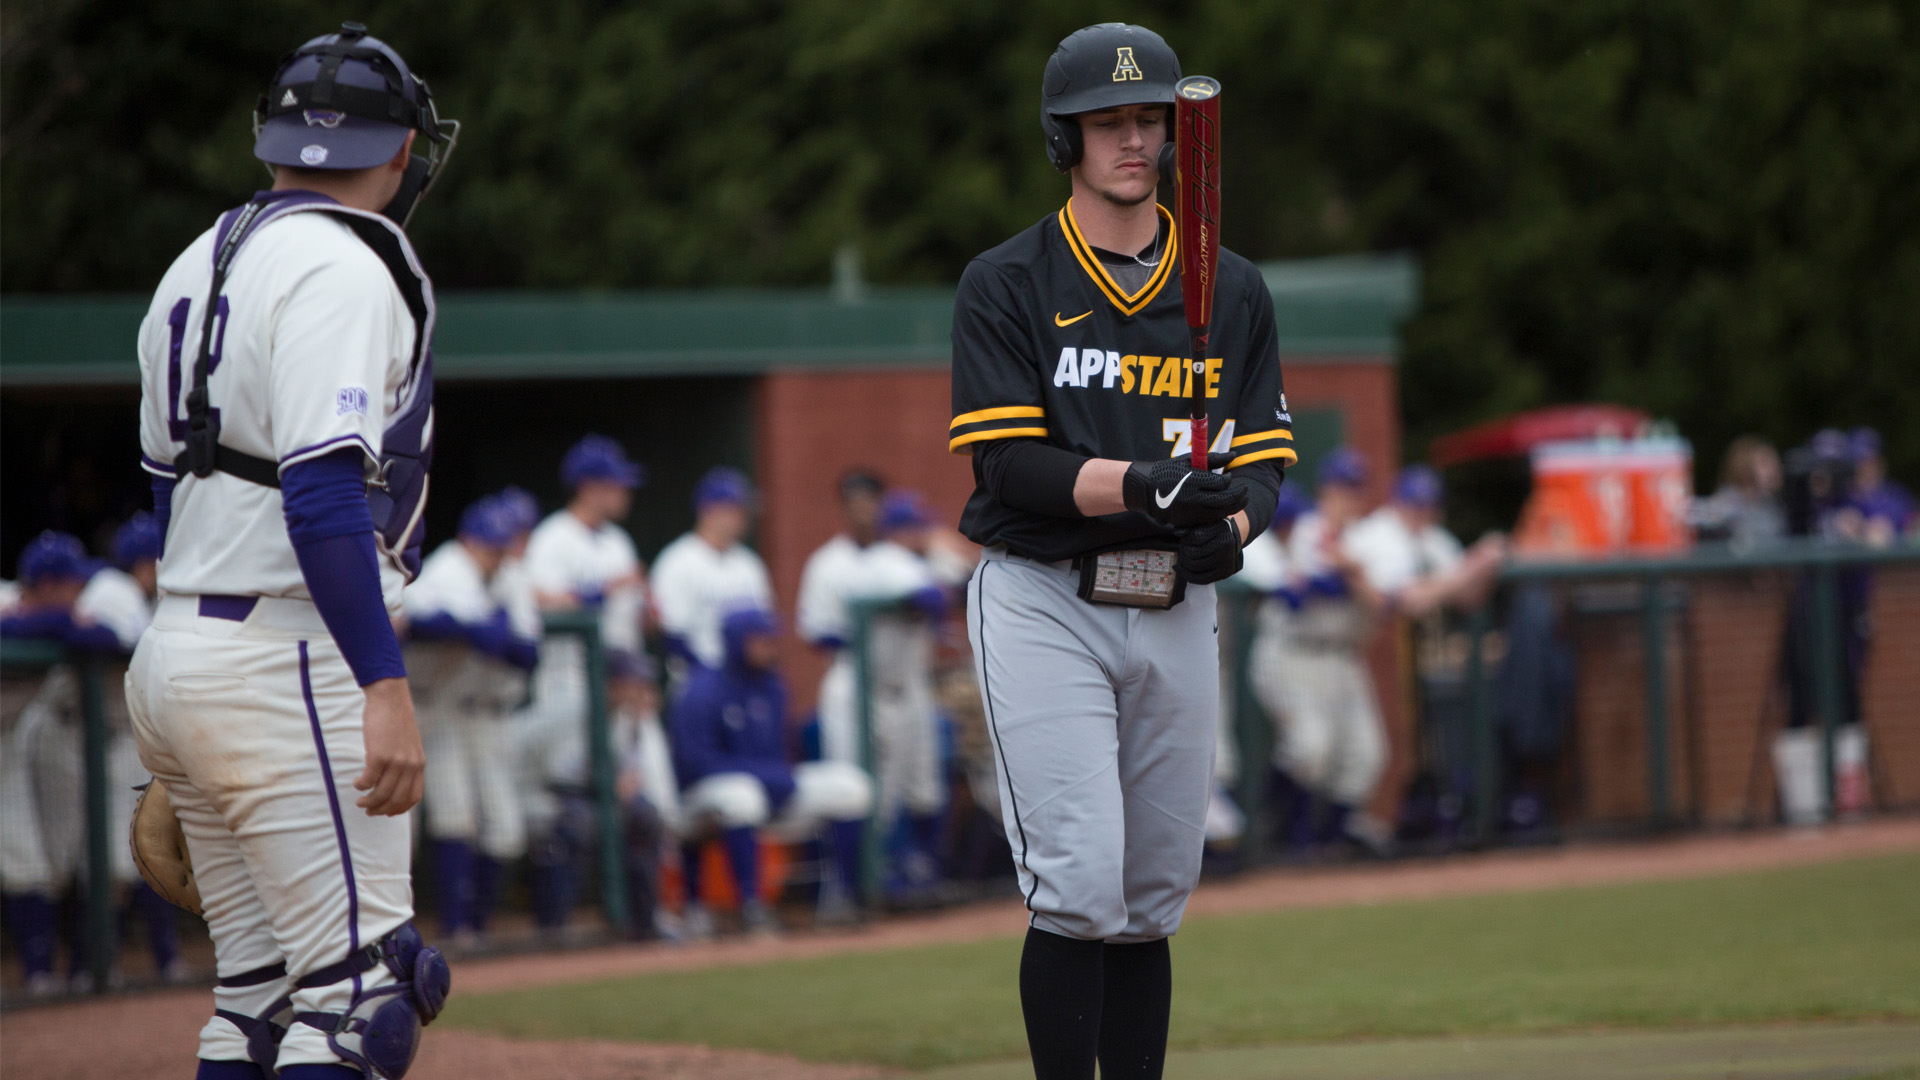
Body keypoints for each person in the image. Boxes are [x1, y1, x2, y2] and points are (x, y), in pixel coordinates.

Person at [949, 23, 1292, 1079]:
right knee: (1083, 880)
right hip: (1046, 597)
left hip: (1176, 600)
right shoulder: (1008, 281)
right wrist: (1147, 485)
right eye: (1109, 122)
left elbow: (1268, 463)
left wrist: (1229, 532)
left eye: (1148, 120)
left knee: (1150, 896)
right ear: (1068, 138)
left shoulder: (1230, 288)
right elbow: (1008, 464)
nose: (1133, 140)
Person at [126, 23, 455, 1079]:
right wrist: (385, 683)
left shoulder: (192, 263)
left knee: (258, 1004)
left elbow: (165, 492)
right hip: (284, 655)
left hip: (182, 651)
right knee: (366, 1003)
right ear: (403, 150)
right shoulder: (340, 265)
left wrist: (187, 718)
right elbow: (319, 494)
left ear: (268, 137)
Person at [672, 607, 873, 937]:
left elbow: (784, 751)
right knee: (742, 795)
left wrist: (776, 777)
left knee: (852, 787)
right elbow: (695, 764)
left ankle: (841, 898)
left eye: (771, 639)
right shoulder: (700, 690)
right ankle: (752, 907)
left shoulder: (774, 686)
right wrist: (766, 776)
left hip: (769, 789)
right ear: (737, 642)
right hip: (703, 798)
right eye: (760, 640)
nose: (769, 647)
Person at [519, 436, 647, 931]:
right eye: (617, 483)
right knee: (568, 806)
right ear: (591, 487)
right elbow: (541, 603)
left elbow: (630, 620)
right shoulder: (554, 537)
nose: (626, 493)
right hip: (568, 684)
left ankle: (637, 919)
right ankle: (560, 923)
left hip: (621, 689)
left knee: (638, 799)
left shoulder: (618, 541)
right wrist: (601, 591)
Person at [403, 497, 540, 947]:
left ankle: (468, 928)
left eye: (502, 547)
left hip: (463, 710)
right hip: (413, 704)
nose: (496, 556)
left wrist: (486, 631)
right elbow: (421, 623)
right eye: (488, 547)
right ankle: (414, 931)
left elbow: (525, 650)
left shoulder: (510, 576)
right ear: (468, 542)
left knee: (482, 824)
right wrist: (479, 629)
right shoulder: (447, 569)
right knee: (410, 827)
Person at [1, 532, 130, 995]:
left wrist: (54, 620)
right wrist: (55, 621)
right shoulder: (4, 597)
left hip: (10, 742)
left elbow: (101, 636)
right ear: (48, 582)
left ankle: (47, 974)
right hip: (29, 736)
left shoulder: (57, 612)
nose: (81, 589)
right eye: (71, 582)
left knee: (34, 858)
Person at [1251, 448, 1388, 855]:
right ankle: (1282, 835)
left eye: (1356, 489)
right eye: (1341, 487)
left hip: (1344, 657)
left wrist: (1353, 571)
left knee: (1367, 756)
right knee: (1310, 749)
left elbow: (1383, 602)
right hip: (1296, 652)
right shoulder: (1302, 529)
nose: (1348, 497)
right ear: (1326, 489)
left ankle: (1331, 841)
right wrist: (1350, 576)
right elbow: (1300, 587)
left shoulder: (1368, 539)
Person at [651, 467, 774, 680]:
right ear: (707, 512)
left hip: (746, 680)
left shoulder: (750, 564)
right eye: (735, 511)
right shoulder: (677, 561)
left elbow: (763, 628)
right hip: (695, 679)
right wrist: (710, 678)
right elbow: (671, 634)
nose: (742, 519)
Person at [1691, 436, 1787, 545]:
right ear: (1743, 467)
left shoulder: (1772, 506)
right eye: (1765, 463)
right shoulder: (1725, 506)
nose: (1774, 468)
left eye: (1775, 462)